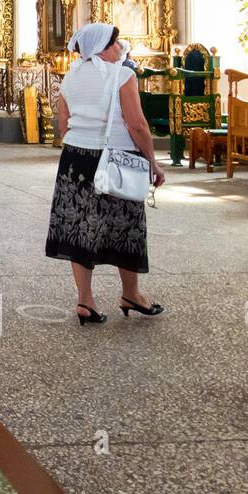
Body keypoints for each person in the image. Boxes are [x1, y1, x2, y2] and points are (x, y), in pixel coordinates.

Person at [46, 22, 166, 326]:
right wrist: (152, 162)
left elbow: (63, 122)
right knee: (125, 227)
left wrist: (79, 143)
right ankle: (131, 295)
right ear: (102, 47)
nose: (121, 47)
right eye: (116, 43)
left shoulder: (70, 77)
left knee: (78, 227)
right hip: (116, 158)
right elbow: (137, 125)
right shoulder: (123, 75)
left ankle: (85, 300)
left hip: (74, 158)